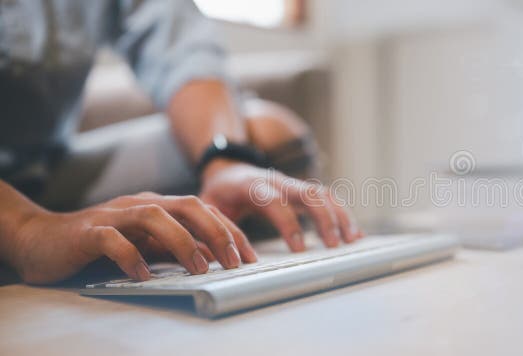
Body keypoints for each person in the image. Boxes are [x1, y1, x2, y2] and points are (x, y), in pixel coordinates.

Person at [0, 0, 362, 284]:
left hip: (45, 168)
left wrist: (225, 160)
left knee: (268, 137)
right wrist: (24, 230)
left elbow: (180, 45)